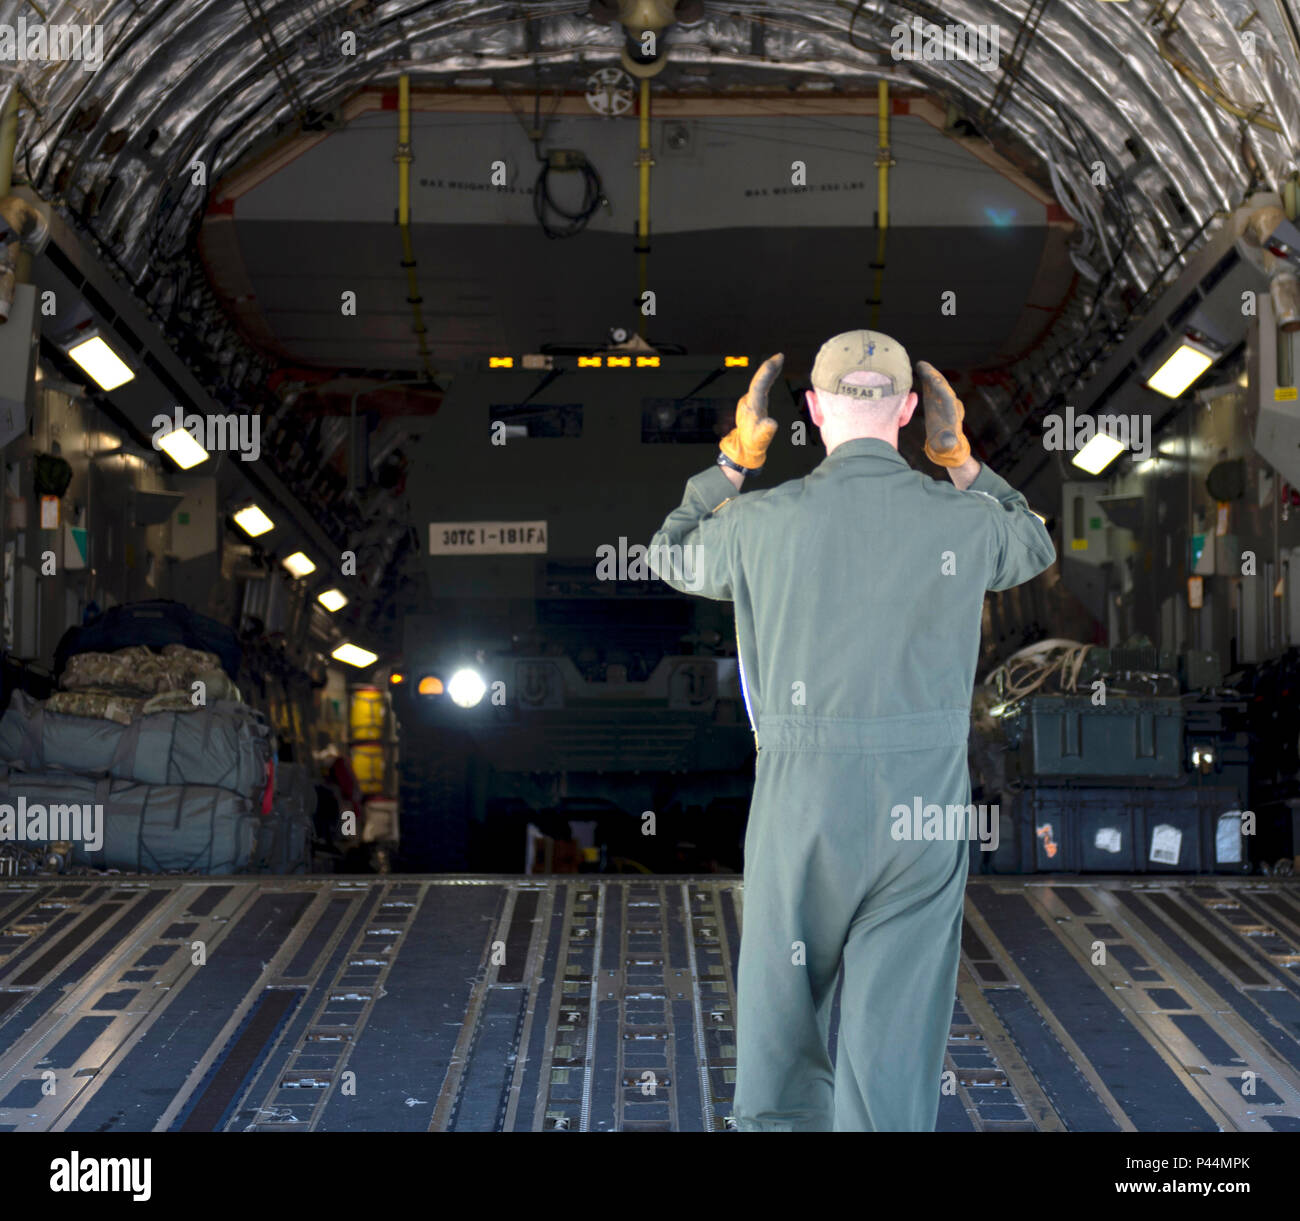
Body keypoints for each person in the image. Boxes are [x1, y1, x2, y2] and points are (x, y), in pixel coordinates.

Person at [648, 330, 1056, 1131]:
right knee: (894, 1052)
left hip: (804, 805)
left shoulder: (758, 520)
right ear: (908, 411)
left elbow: (668, 552)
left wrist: (733, 460)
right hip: (924, 806)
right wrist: (961, 459)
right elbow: (1034, 540)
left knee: (780, 1028)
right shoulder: (962, 520)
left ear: (807, 412)